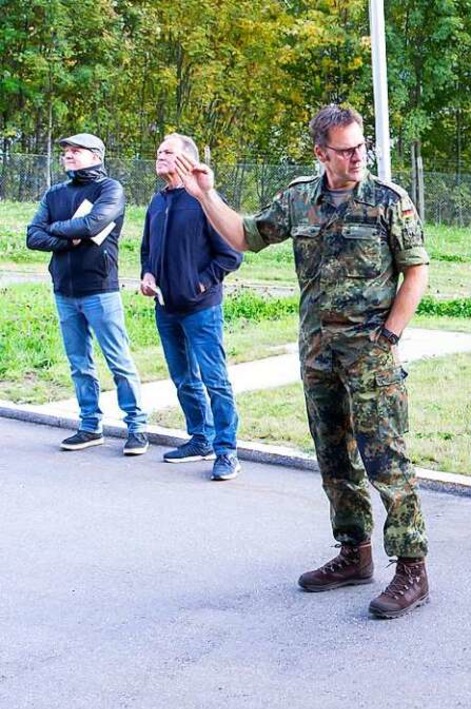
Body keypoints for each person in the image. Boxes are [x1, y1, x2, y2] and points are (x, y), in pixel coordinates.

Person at [174, 104, 430, 619]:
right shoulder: (298, 199)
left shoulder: (387, 200)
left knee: (387, 460)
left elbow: (416, 269)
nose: (358, 157)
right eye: (346, 150)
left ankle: (411, 568)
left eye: (362, 147)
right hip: (317, 355)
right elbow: (246, 235)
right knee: (334, 458)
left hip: (370, 356)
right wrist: (206, 194)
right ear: (321, 153)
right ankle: (354, 554)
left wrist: (389, 335)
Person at [26, 133, 149, 455]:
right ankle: (90, 426)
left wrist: (56, 228)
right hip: (64, 290)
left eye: (76, 150)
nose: (68, 155)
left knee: (118, 361)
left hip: (100, 289)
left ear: (96, 155)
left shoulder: (110, 189)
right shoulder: (55, 193)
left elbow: (93, 225)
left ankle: (136, 427)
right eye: (66, 150)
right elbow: (32, 236)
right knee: (79, 364)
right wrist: (68, 237)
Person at [138, 133, 244, 481]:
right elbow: (146, 251)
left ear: (187, 160)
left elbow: (231, 254)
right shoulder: (157, 201)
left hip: (201, 309)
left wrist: (200, 283)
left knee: (214, 380)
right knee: (183, 379)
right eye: (159, 151)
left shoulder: (203, 200)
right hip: (165, 308)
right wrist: (148, 274)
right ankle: (200, 439)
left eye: (168, 152)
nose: (160, 155)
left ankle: (226, 450)